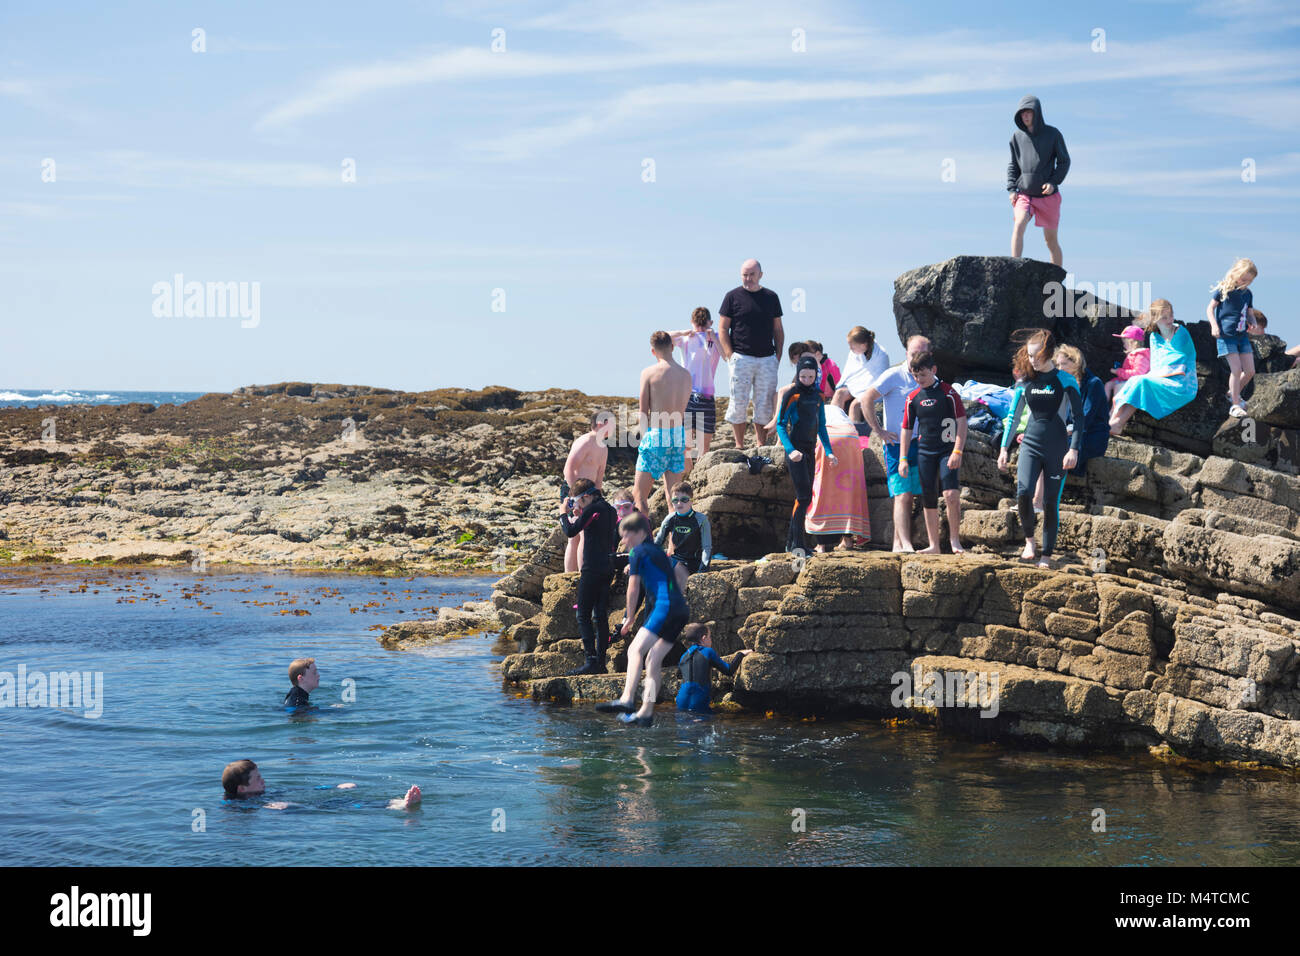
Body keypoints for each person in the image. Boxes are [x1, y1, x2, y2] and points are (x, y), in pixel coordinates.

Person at [997, 331, 1083, 568]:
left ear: (1047, 353)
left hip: (1057, 448)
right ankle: (1029, 542)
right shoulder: (1025, 382)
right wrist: (1004, 448)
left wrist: (1073, 449)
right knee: (1023, 493)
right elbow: (1013, 416)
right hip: (1031, 445)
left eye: (1036, 355)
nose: (1032, 360)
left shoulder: (1066, 380)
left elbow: (1078, 417)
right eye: (1029, 355)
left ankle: (1046, 555)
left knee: (1049, 502)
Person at [596, 512, 690, 727]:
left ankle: (628, 699)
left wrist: (628, 617)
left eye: (626, 536)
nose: (623, 541)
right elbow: (682, 572)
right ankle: (646, 712)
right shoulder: (658, 551)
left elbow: (633, 587)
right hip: (680, 610)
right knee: (652, 660)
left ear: (639, 533)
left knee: (634, 651)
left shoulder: (637, 552)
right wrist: (677, 595)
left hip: (665, 607)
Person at [859, 335, 932, 552]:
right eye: (911, 354)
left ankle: (898, 543)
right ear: (906, 353)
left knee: (918, 494)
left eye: (920, 354)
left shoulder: (929, 378)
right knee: (902, 494)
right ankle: (905, 543)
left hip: (922, 444)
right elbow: (866, 398)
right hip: (896, 445)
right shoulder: (894, 375)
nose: (914, 359)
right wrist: (878, 430)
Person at [898, 351, 967, 554]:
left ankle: (955, 541)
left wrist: (958, 451)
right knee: (928, 496)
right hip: (925, 452)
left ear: (933, 370)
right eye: (915, 376)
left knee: (951, 494)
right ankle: (934, 545)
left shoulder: (948, 393)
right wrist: (903, 458)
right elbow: (906, 429)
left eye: (923, 375)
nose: (919, 380)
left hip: (947, 449)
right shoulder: (913, 398)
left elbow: (962, 423)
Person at [719, 259, 785, 450]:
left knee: (764, 403)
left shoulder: (771, 297)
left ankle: (760, 443)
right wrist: (730, 354)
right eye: (744, 275)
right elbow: (723, 328)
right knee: (738, 401)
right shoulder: (732, 296)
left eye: (751, 274)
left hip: (767, 358)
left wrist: (778, 356)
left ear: (760, 275)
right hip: (741, 357)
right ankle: (739, 445)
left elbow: (778, 329)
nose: (748, 278)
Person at [775, 355, 838, 554]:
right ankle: (798, 545)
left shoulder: (818, 395)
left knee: (806, 497)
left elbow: (821, 426)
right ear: (798, 374)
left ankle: (791, 543)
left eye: (811, 377)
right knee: (803, 497)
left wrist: (829, 452)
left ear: (816, 375)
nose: (807, 380)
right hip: (796, 451)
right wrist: (790, 450)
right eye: (803, 376)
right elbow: (780, 424)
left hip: (810, 450)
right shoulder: (792, 394)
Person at [1109, 300, 1198, 437]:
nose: (1170, 319)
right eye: (1164, 317)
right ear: (1155, 319)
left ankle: (1118, 423)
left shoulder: (1181, 332)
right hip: (1160, 377)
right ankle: (1114, 421)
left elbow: (1177, 358)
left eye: (1171, 315)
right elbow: (1156, 364)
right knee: (1134, 381)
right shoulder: (1154, 337)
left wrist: (1151, 376)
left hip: (1181, 382)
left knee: (1141, 381)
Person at [560, 478, 619, 675]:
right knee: (600, 615)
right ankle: (600, 663)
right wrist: (580, 513)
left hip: (592, 568)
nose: (575, 505)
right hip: (608, 566)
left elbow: (570, 531)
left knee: (583, 614)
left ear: (586, 497)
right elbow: (594, 527)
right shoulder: (609, 509)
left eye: (576, 501)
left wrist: (563, 514)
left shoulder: (594, 509)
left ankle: (590, 660)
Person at [633, 331, 693, 518]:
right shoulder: (685, 375)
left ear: (653, 351)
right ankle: (676, 546)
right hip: (678, 434)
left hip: (657, 434)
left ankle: (643, 544)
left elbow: (644, 412)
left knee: (639, 497)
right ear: (672, 347)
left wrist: (644, 439)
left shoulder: (649, 373)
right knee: (674, 500)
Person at [1007, 94, 1070, 266]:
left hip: (1048, 196)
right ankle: (1014, 269)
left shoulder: (1053, 134)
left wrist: (1053, 182)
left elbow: (1064, 161)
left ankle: (1056, 283)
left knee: (1050, 241)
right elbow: (1013, 165)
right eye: (1022, 113)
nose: (1025, 116)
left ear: (1037, 113)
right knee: (1019, 225)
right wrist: (1012, 189)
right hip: (1025, 194)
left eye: (1029, 112)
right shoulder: (1016, 137)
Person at [221, 760, 422, 810]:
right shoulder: (238, 806)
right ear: (242, 789)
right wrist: (284, 806)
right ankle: (396, 806)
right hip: (297, 812)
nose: (263, 781)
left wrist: (334, 786)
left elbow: (303, 790)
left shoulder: (263, 792)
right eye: (258, 779)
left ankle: (393, 802)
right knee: (333, 806)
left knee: (339, 798)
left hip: (292, 805)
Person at [806, 402, 871, 550]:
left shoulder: (805, 407)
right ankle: (847, 540)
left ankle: (821, 544)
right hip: (851, 436)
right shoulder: (837, 410)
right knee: (848, 490)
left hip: (828, 435)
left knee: (822, 487)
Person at [669, 307, 722, 475]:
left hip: (706, 396)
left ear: (710, 323)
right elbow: (661, 337)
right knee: (686, 445)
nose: (700, 328)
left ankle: (699, 476)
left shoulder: (716, 338)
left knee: (703, 448)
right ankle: (688, 476)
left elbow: (727, 354)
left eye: (703, 324)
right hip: (687, 395)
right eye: (697, 324)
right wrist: (683, 332)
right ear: (692, 323)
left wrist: (713, 335)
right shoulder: (685, 339)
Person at [561, 410, 614, 572]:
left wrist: (597, 499)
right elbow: (569, 469)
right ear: (600, 423)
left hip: (590, 495)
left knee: (587, 533)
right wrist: (575, 496)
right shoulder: (585, 441)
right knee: (576, 536)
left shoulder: (603, 447)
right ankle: (571, 576)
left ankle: (583, 573)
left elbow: (599, 476)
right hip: (575, 492)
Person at [1207, 258, 1258, 418]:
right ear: (1235, 273)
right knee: (1236, 369)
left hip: (1242, 336)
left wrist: (1253, 321)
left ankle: (1232, 393)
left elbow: (1249, 312)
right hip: (1226, 336)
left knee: (1250, 371)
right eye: (1243, 279)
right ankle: (1235, 404)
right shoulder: (1223, 289)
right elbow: (1210, 308)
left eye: (1249, 281)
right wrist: (1214, 326)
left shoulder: (1247, 294)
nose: (1245, 283)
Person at [1053, 344, 1109, 475]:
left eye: (1064, 364)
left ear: (1076, 363)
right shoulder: (1065, 384)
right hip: (1070, 432)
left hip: (1091, 436)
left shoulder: (1094, 384)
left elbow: (1085, 419)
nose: (1060, 368)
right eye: (1058, 365)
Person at [675, 623, 750, 713]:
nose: (711, 640)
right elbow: (729, 671)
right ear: (703, 638)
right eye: (710, 637)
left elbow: (679, 675)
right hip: (698, 702)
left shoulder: (683, 656)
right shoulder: (708, 652)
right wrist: (740, 654)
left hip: (680, 701)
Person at [832, 327, 891, 426]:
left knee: (855, 405)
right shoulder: (854, 353)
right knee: (839, 393)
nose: (850, 348)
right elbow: (851, 373)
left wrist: (863, 393)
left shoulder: (881, 355)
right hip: (856, 385)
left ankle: (852, 435)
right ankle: (832, 425)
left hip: (874, 390)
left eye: (853, 346)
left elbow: (879, 382)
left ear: (863, 345)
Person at [653, 481, 713, 574]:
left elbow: (707, 547)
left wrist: (703, 569)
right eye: (675, 500)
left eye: (684, 499)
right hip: (676, 559)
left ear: (691, 501)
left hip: (694, 562)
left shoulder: (701, 520)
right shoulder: (670, 519)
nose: (679, 503)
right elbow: (658, 542)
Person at [1104, 325, 1151, 402]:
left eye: (1124, 343)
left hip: (1135, 383)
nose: (1123, 345)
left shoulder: (1140, 355)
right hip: (1126, 379)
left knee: (1117, 387)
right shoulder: (1133, 354)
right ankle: (1103, 406)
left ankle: (1115, 409)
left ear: (1133, 342)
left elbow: (1138, 373)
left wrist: (1118, 371)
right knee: (1108, 385)